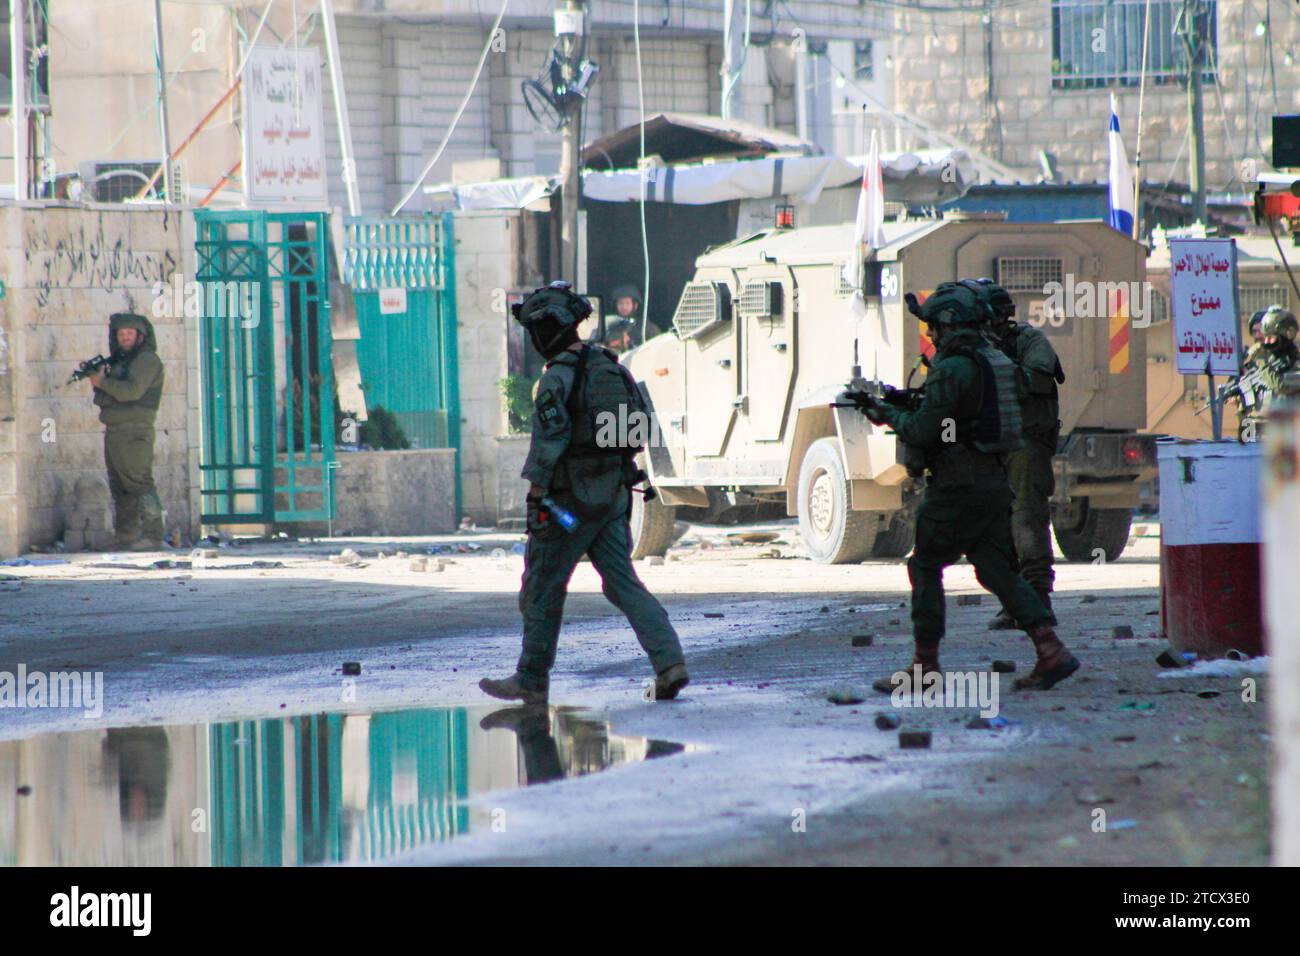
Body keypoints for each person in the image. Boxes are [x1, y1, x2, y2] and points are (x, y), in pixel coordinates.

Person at [851, 282, 1080, 693]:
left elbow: (926, 430)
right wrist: (907, 402)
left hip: (958, 486)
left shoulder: (956, 367)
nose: (932, 336)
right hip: (993, 484)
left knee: (924, 566)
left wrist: (885, 413)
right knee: (997, 571)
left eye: (934, 327)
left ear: (950, 324)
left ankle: (925, 667)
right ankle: (1050, 649)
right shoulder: (994, 359)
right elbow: (964, 412)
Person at [480, 281, 690, 705]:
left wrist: (538, 500)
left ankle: (531, 678)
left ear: (546, 332)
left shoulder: (557, 379)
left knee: (542, 584)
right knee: (623, 584)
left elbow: (549, 447)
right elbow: (639, 432)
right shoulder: (610, 365)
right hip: (613, 500)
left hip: (566, 508)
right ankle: (670, 662)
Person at [964, 278, 1066, 630]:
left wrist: (993, 366)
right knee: (995, 524)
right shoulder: (971, 347)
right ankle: (1013, 600)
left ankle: (1038, 598)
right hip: (989, 447)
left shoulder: (1027, 340)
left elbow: (1038, 379)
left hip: (1025, 443)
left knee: (1026, 517)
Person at [87, 313, 165, 551]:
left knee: (139, 482)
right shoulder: (121, 362)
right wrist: (99, 381)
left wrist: (102, 383)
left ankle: (153, 535)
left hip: (134, 432)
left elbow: (132, 391)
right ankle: (126, 536)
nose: (125, 338)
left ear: (140, 336)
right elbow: (105, 397)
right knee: (120, 486)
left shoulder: (146, 361)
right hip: (116, 431)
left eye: (130, 333)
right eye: (121, 334)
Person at [1232, 305, 1300, 439]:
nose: (1267, 343)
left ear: (1287, 335)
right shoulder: (1265, 363)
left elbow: (1281, 385)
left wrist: (1262, 364)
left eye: (1271, 338)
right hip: (1256, 429)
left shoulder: (1294, 363)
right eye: (1266, 338)